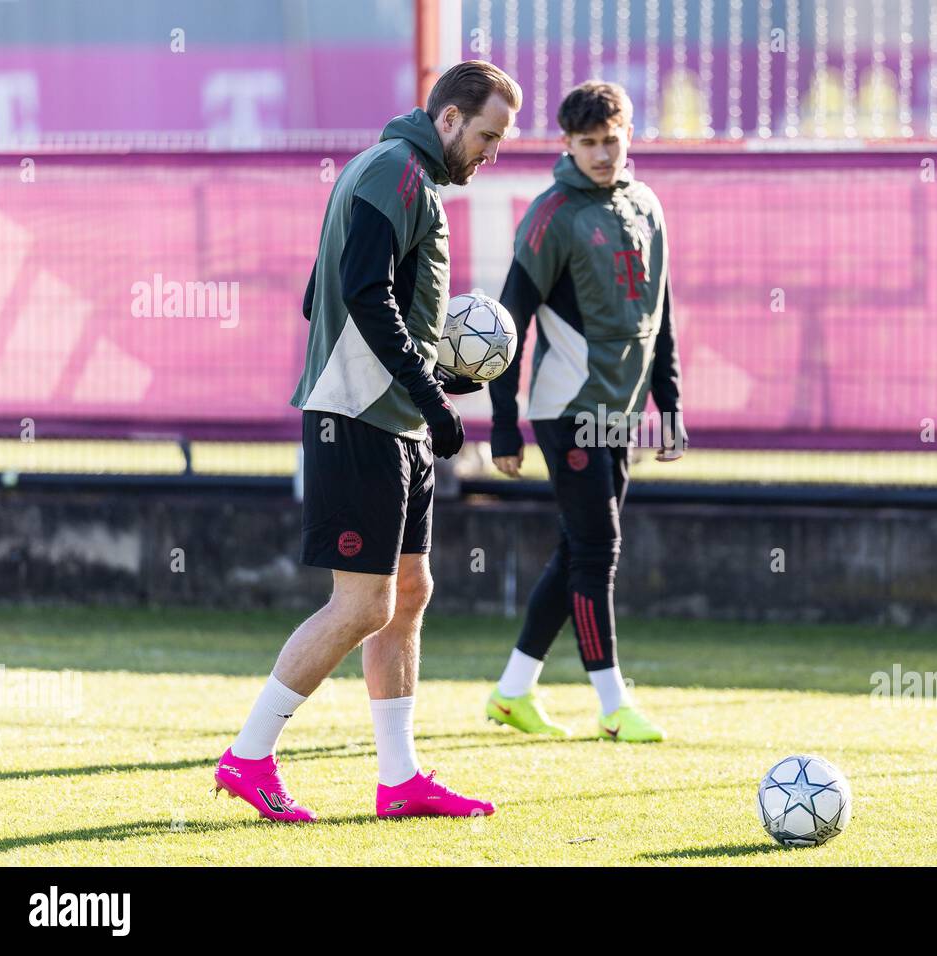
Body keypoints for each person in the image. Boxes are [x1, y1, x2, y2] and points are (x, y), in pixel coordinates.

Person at [212, 61, 522, 822]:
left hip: (391, 417)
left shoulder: (395, 172)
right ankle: (248, 755)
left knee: (409, 593)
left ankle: (400, 779)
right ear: (449, 119)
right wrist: (428, 390)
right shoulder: (397, 170)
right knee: (361, 605)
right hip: (358, 419)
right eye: (487, 136)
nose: (492, 152)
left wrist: (425, 380)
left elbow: (318, 295)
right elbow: (361, 289)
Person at [485, 80, 686, 743]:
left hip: (620, 412)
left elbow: (660, 313)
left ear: (628, 136)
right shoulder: (551, 216)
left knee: (577, 549)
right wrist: (505, 423)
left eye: (611, 140)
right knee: (598, 550)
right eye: (588, 142)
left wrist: (669, 403)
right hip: (566, 410)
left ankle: (512, 693)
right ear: (567, 144)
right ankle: (612, 704)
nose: (602, 153)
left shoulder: (646, 205)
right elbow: (507, 324)